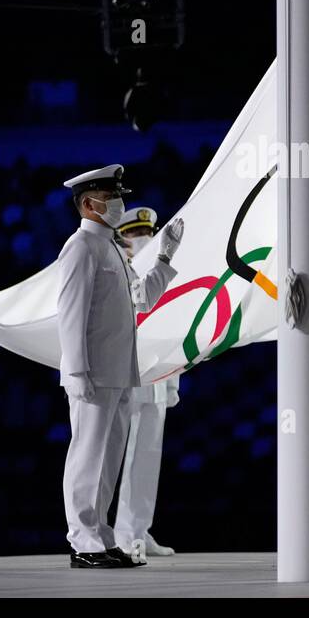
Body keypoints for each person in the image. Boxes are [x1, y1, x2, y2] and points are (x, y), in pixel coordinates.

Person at [57, 165, 183, 569]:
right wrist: (75, 371)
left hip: (118, 372)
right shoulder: (81, 246)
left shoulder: (110, 247)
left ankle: (101, 536)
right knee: (88, 457)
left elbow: (141, 299)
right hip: (93, 373)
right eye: (111, 197)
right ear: (90, 203)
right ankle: (83, 540)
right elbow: (71, 313)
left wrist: (164, 256)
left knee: (108, 460)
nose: (118, 202)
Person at [101, 206, 181, 558]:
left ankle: (139, 528)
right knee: (124, 456)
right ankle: (119, 533)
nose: (143, 239)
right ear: (125, 238)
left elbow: (174, 329)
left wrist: (174, 381)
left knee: (148, 456)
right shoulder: (120, 271)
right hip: (128, 376)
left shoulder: (161, 275)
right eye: (136, 234)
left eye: (148, 234)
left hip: (157, 378)